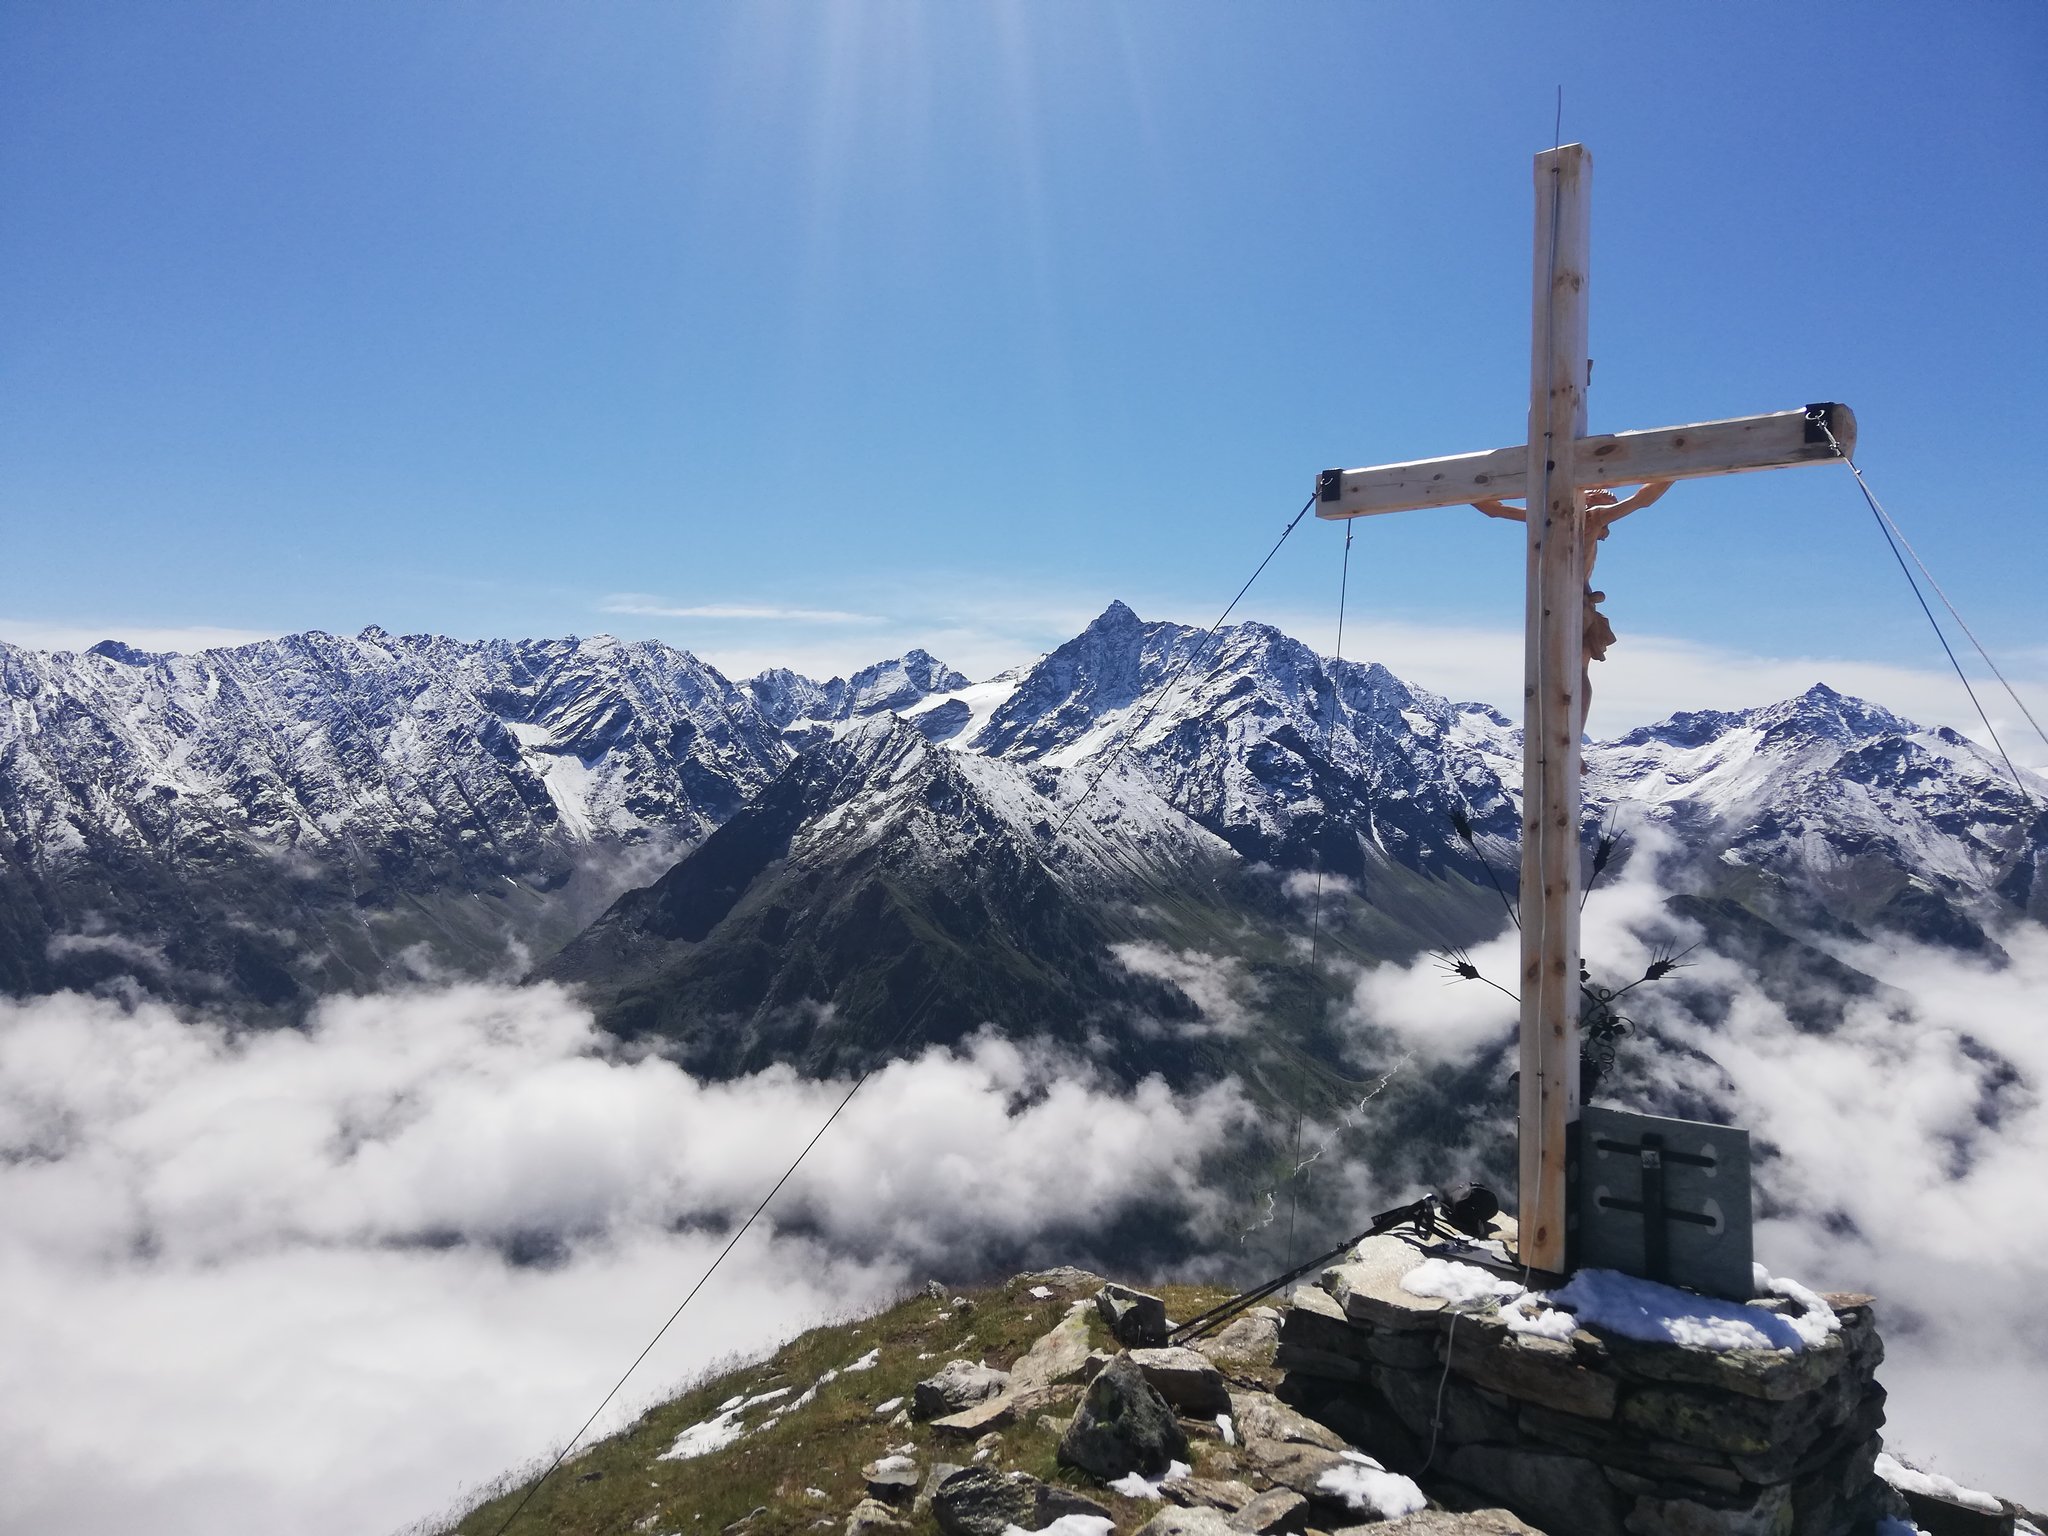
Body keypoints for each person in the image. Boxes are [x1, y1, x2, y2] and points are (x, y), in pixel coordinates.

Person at [1471, 480, 1673, 729]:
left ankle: (1568, 735)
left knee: (1563, 672)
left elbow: (1494, 510)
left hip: (1568, 603)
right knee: (1575, 672)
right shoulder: (1578, 518)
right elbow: (1643, 498)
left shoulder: (1582, 518)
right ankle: (1570, 735)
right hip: (1574, 603)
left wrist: (1463, 488)